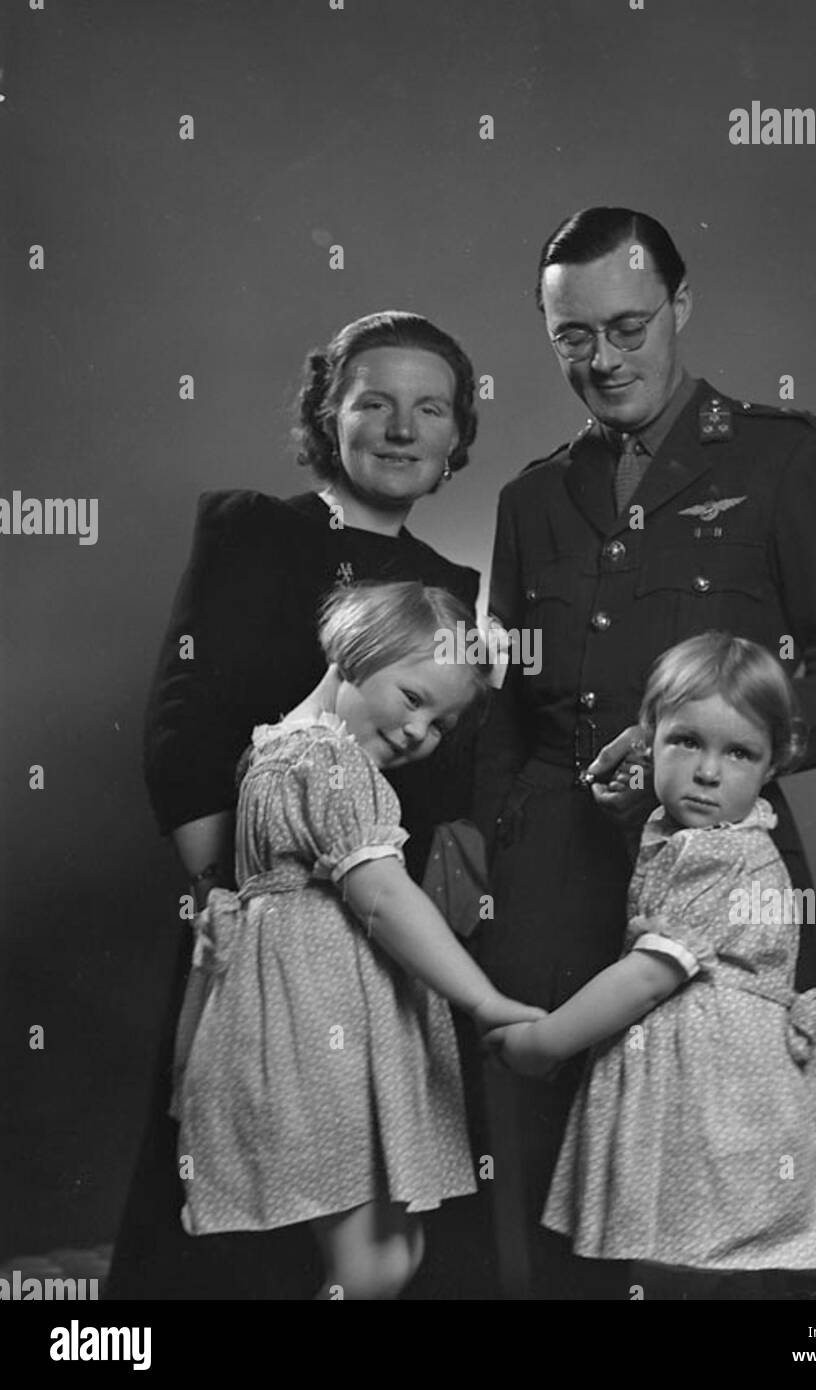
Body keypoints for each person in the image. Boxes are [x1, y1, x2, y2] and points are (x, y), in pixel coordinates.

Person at [472, 206, 816, 1297]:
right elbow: (509, 704)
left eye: (627, 326)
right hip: (553, 879)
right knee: (559, 1201)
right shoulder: (531, 496)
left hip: (716, 887)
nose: (603, 358)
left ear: (680, 306)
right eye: (572, 335)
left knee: (726, 1216)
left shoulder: (785, 458)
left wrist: (719, 747)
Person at [108, 311, 486, 1300]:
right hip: (262, 924)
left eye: (430, 408)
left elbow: (446, 779)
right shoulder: (260, 532)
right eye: (374, 403)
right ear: (329, 414)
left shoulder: (449, 589)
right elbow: (184, 733)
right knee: (238, 1173)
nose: (402, 428)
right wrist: (220, 901)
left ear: (456, 437)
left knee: (378, 1204)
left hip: (381, 934)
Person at [171, 582, 542, 1299]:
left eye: (440, 723)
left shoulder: (273, 752)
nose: (418, 733)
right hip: (323, 1039)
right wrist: (483, 1001)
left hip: (304, 1029)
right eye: (412, 698)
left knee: (389, 1254)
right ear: (355, 656)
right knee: (374, 1263)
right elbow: (380, 893)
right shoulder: (330, 762)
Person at [486, 632, 816, 1298]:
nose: (708, 772)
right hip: (718, 1082)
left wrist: (544, 1041)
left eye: (738, 753)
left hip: (710, 1090)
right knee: (691, 1262)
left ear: (773, 764)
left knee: (686, 1258)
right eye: (684, 742)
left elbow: (649, 973)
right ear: (646, 740)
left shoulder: (717, 855)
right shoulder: (714, 836)